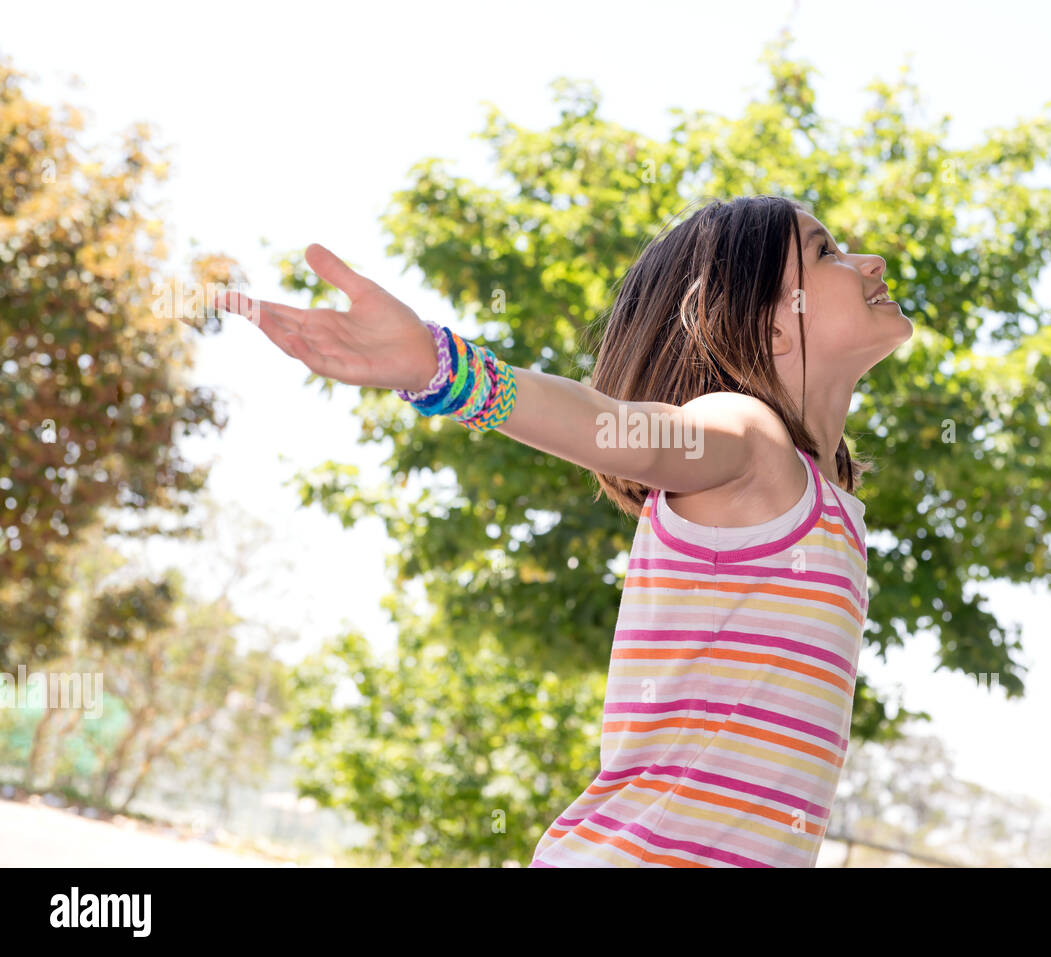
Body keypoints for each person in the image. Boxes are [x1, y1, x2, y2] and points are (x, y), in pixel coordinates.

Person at [215, 194, 913, 867]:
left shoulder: (829, 506)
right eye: (827, 253)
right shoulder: (748, 435)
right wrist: (444, 369)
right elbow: (619, 430)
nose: (872, 261)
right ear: (770, 324)